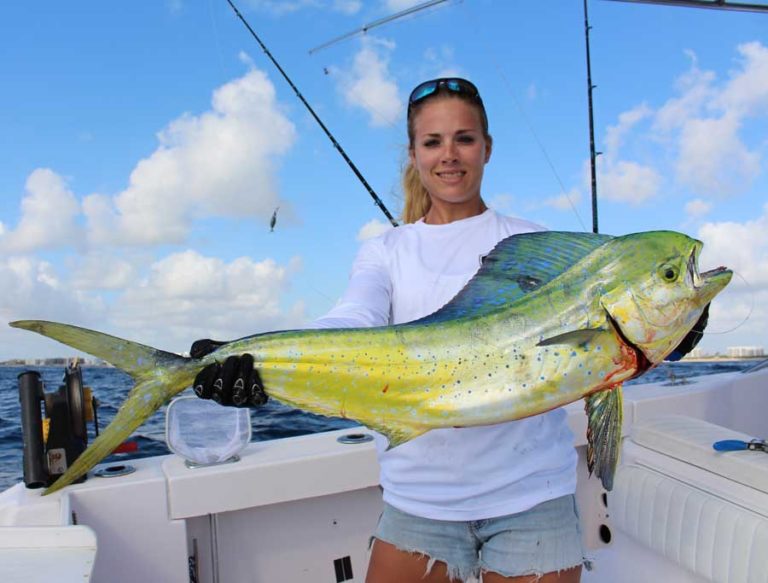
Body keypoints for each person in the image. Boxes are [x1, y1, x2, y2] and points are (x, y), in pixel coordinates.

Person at [190, 77, 707, 582]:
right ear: (413, 154)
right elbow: (353, 319)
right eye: (432, 142)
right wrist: (252, 358)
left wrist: (681, 324)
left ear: (486, 148)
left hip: (532, 498)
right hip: (419, 502)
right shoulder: (385, 250)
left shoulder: (532, 241)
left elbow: (612, 347)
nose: (450, 155)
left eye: (464, 139)